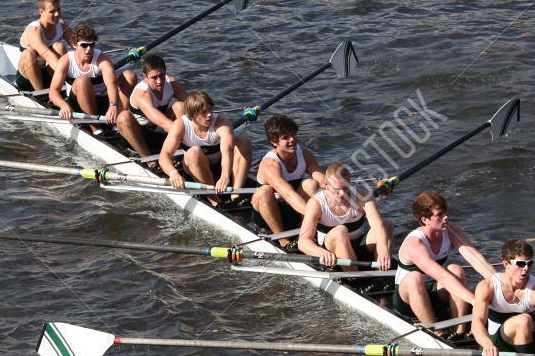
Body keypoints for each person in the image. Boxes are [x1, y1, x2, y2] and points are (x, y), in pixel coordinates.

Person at [393, 191, 494, 328]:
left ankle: (460, 331)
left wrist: (501, 283)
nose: (446, 217)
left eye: (445, 212)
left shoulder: (452, 231)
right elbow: (443, 277)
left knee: (456, 270)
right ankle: (435, 332)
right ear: (425, 220)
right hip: (407, 300)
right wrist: (474, 301)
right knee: (414, 278)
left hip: (434, 291)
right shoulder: (415, 243)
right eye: (439, 215)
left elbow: (476, 259)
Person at [49, 24, 150, 152]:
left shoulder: (102, 59)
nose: (88, 49)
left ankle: (117, 125)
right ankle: (95, 129)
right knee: (82, 80)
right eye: (84, 45)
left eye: (92, 45)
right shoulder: (66, 61)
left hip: (102, 102)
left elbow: (111, 83)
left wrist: (113, 105)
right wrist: (63, 105)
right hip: (78, 105)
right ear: (74, 45)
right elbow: (53, 92)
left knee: (129, 76)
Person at [471, 237, 535, 356]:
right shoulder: (487, 287)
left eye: (529, 263)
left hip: (527, 341)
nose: (526, 268)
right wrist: (487, 345)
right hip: (498, 346)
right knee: (524, 320)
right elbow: (477, 322)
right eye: (521, 264)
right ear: (506, 264)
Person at [297, 163, 391, 270]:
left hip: (359, 244)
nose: (342, 194)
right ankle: (354, 278)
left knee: (387, 224)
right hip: (333, 252)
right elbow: (303, 242)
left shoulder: (362, 196)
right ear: (326, 185)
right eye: (337, 189)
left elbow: (377, 225)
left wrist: (384, 249)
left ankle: (380, 273)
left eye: (346, 188)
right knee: (340, 231)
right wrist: (322, 253)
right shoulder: (316, 204)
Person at [158, 90, 253, 196]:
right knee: (194, 152)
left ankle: (236, 194)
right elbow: (164, 156)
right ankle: (214, 200)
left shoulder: (222, 123)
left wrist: (225, 176)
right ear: (192, 115)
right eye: (203, 112)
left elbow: (228, 150)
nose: (209, 115)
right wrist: (173, 173)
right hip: (194, 171)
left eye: (210, 109)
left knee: (244, 141)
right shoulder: (180, 125)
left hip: (219, 168)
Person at [252, 115, 324, 244]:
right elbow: (288, 194)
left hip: (293, 211)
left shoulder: (304, 153)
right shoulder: (270, 164)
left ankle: (306, 234)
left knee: (311, 184)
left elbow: (321, 178)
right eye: (285, 137)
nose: (292, 140)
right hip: (267, 217)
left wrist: (342, 194)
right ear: (275, 142)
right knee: (264, 191)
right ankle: (282, 239)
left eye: (293, 134)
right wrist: (313, 214)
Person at [126, 54, 186, 151]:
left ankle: (183, 149)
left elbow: (192, 106)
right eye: (154, 77)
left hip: (159, 129)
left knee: (181, 106)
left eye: (162, 75)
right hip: (141, 134)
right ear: (145, 77)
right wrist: (186, 133)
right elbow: (162, 121)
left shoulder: (172, 83)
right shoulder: (142, 94)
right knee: (124, 117)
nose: (159, 81)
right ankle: (149, 160)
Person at [16, 0, 68, 91]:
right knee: (29, 53)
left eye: (58, 9)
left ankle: (59, 89)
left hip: (49, 75)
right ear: (41, 11)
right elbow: (47, 55)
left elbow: (78, 46)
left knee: (59, 47)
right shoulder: (34, 30)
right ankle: (40, 95)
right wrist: (69, 74)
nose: (57, 14)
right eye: (52, 11)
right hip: (27, 81)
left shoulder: (61, 25)